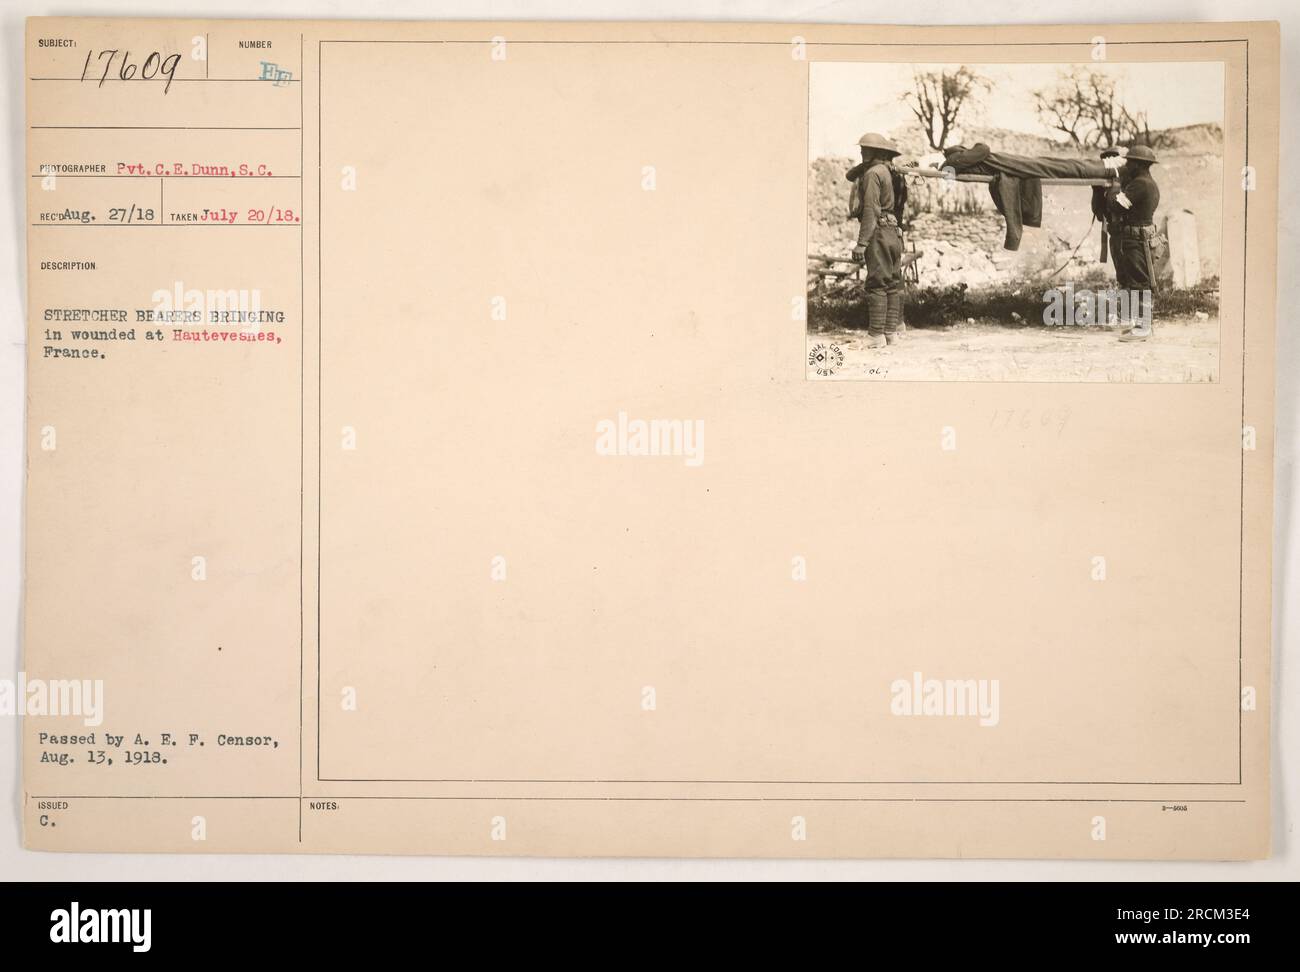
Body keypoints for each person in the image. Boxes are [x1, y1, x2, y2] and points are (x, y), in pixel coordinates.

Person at [1094, 145, 1162, 342]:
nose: (1127, 164)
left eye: (1131, 162)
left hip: (1135, 239)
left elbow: (1116, 206)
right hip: (1134, 237)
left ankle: (1142, 328)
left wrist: (1110, 192)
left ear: (1139, 165)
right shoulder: (1144, 182)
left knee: (1139, 284)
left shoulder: (1140, 184)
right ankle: (1133, 324)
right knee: (1131, 282)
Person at [846, 133, 905, 347]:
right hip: (894, 232)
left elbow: (871, 209)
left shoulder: (872, 174)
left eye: (865, 150)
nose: (862, 153)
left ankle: (875, 336)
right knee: (891, 283)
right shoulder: (892, 173)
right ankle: (891, 333)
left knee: (877, 284)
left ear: (876, 153)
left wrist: (862, 243)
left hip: (879, 232)